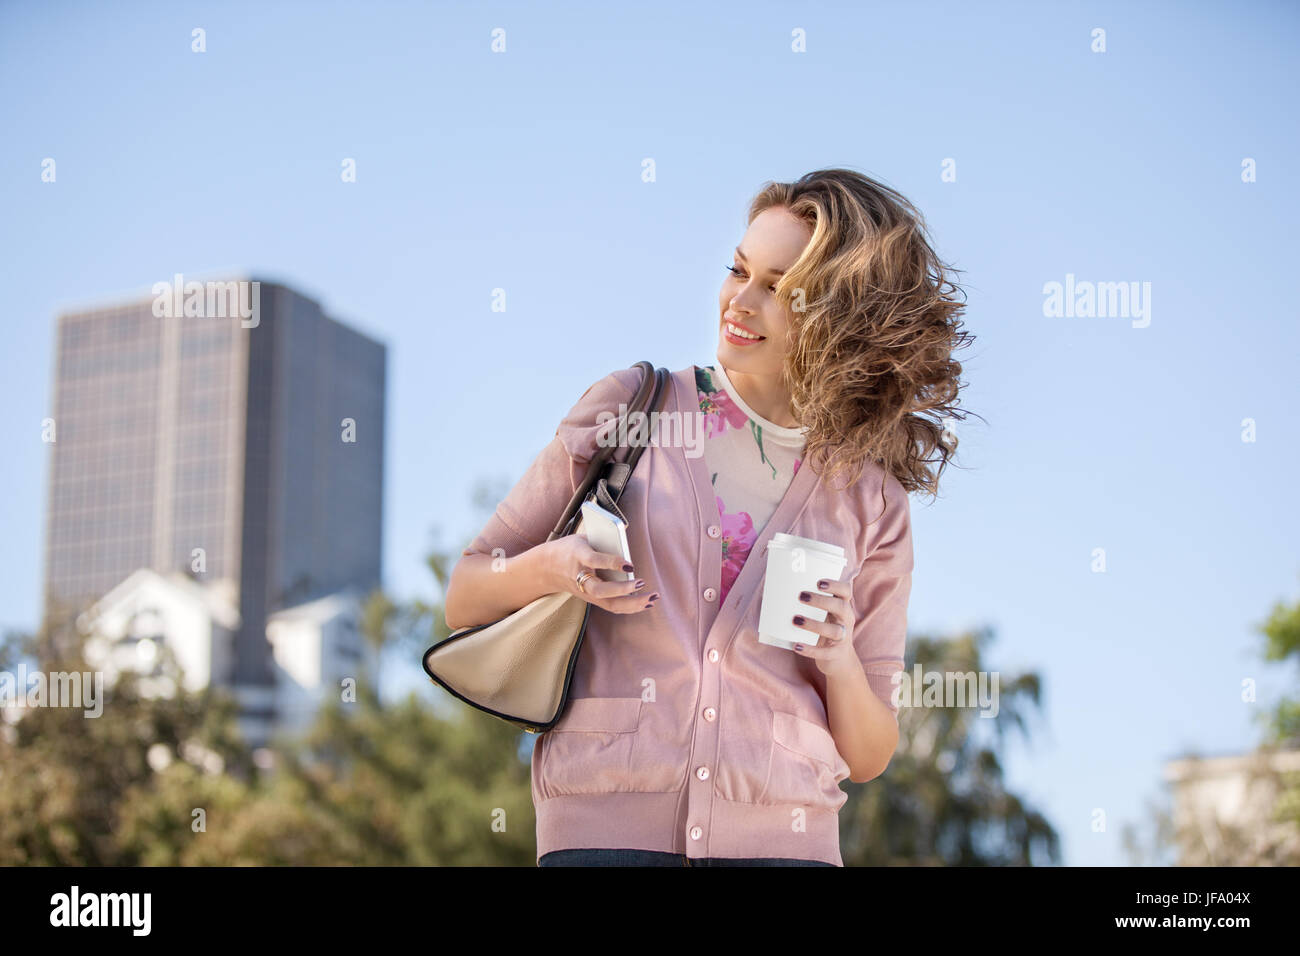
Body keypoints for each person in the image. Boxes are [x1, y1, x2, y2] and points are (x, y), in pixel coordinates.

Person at [444, 168, 975, 866]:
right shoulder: (632, 407)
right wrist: (556, 566)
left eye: (779, 288)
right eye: (738, 269)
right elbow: (466, 592)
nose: (741, 301)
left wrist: (839, 660)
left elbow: (871, 752)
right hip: (601, 836)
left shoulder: (871, 499)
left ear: (842, 319)